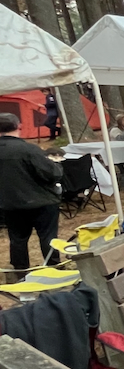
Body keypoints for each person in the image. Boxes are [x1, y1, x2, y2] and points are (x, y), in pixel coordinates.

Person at [0, 113, 62, 271]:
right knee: (48, 237)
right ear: (19, 126)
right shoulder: (28, 150)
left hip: (10, 203)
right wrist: (57, 166)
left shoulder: (27, 150)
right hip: (41, 200)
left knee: (17, 239)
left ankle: (20, 271)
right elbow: (51, 174)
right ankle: (54, 268)